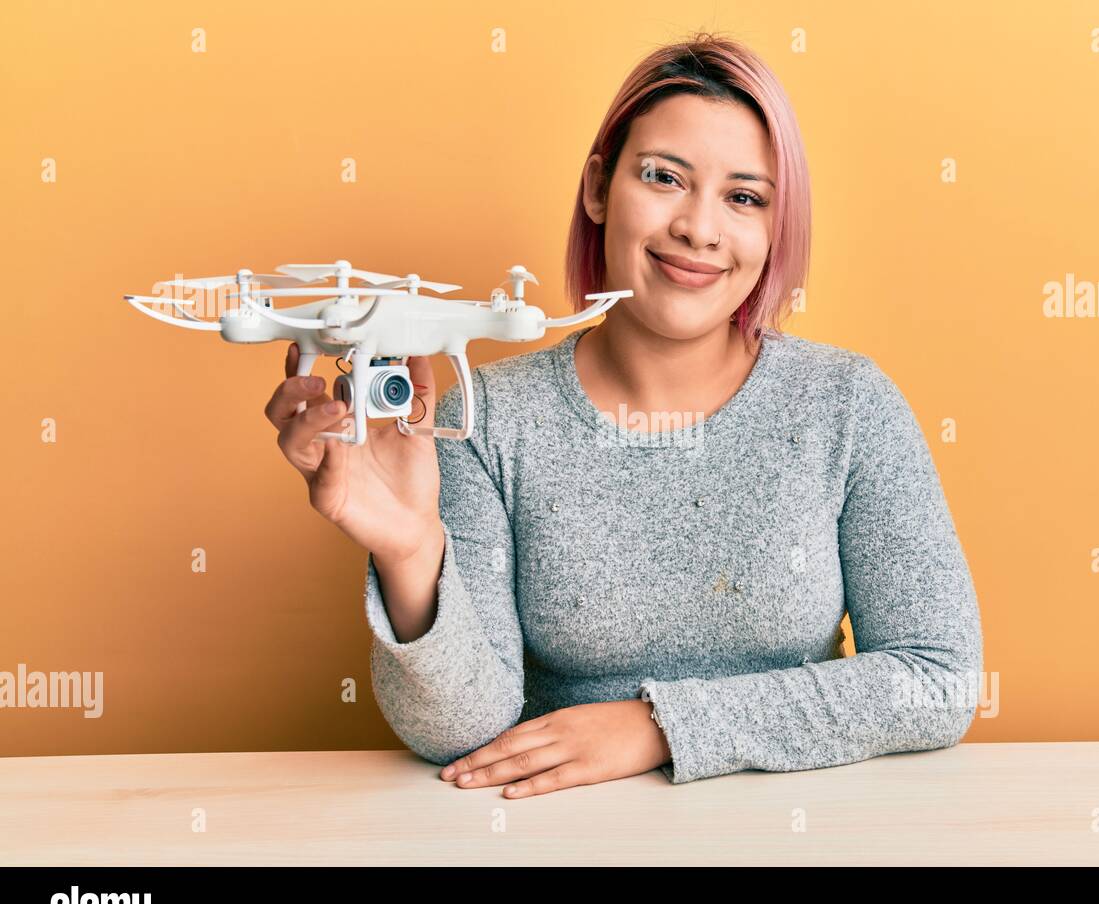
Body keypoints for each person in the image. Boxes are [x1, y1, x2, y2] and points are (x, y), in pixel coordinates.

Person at [263, 32, 983, 797]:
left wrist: (658, 725)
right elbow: (464, 735)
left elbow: (937, 680)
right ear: (600, 188)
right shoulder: (486, 418)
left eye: (744, 197)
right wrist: (412, 556)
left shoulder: (847, 404)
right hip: (563, 834)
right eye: (664, 177)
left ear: (775, 227)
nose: (699, 229)